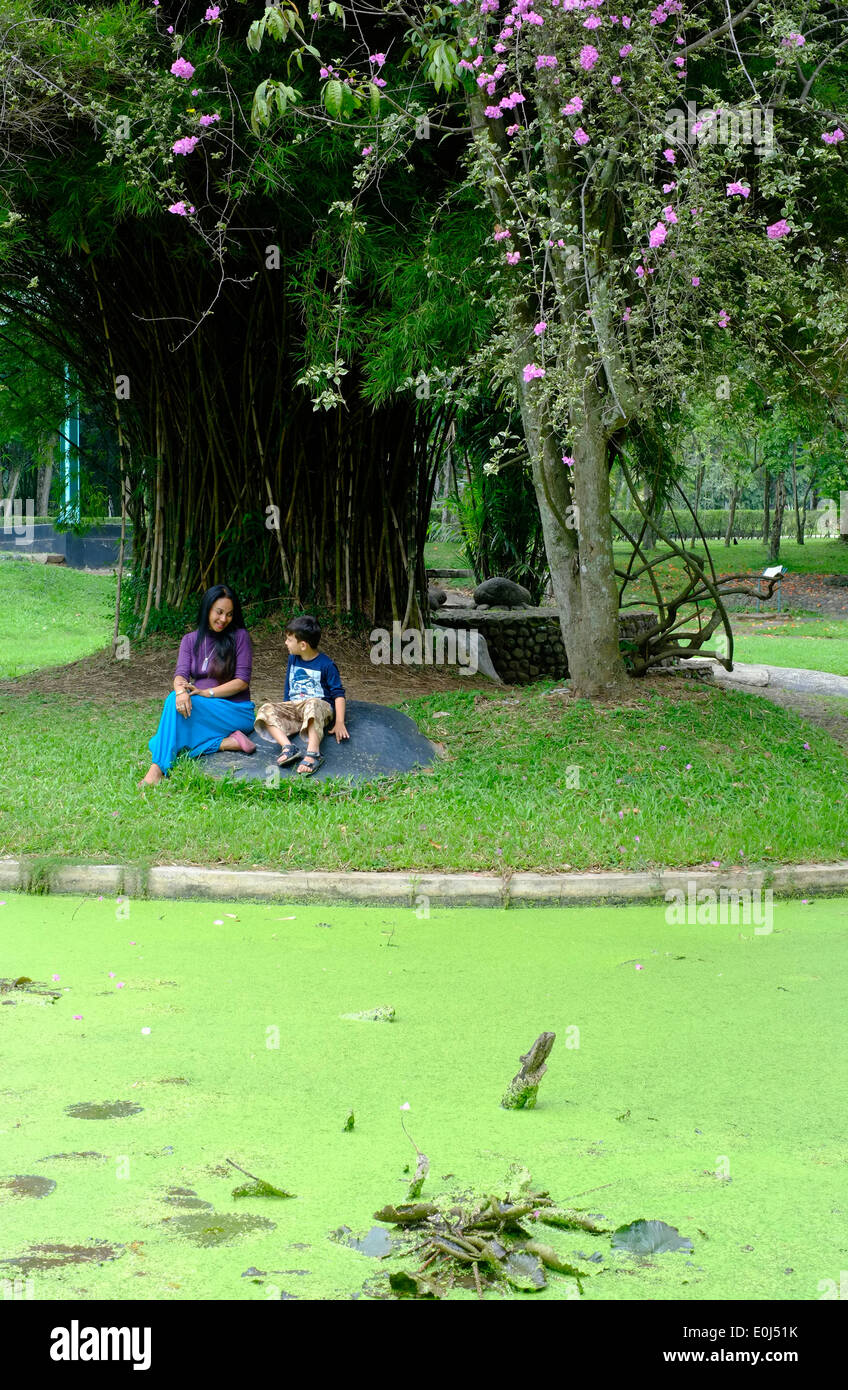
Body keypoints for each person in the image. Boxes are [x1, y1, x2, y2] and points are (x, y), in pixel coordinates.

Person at [139, 584, 256, 787]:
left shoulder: (240, 637)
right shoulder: (190, 640)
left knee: (161, 740)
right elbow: (180, 675)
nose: (223, 619)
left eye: (229, 614)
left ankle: (157, 769)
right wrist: (180, 691)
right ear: (207, 609)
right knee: (168, 720)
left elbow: (241, 682)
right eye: (219, 612)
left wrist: (206, 692)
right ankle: (225, 743)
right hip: (201, 707)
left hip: (236, 710)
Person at [254, 614, 348, 775]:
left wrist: (339, 722)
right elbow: (288, 686)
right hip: (296, 708)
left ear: (303, 645)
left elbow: (338, 694)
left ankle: (313, 754)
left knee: (312, 703)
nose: (286, 643)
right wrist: (284, 708)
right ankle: (288, 747)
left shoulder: (327, 665)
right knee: (266, 708)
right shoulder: (293, 659)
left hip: (318, 708)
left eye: (289, 640)